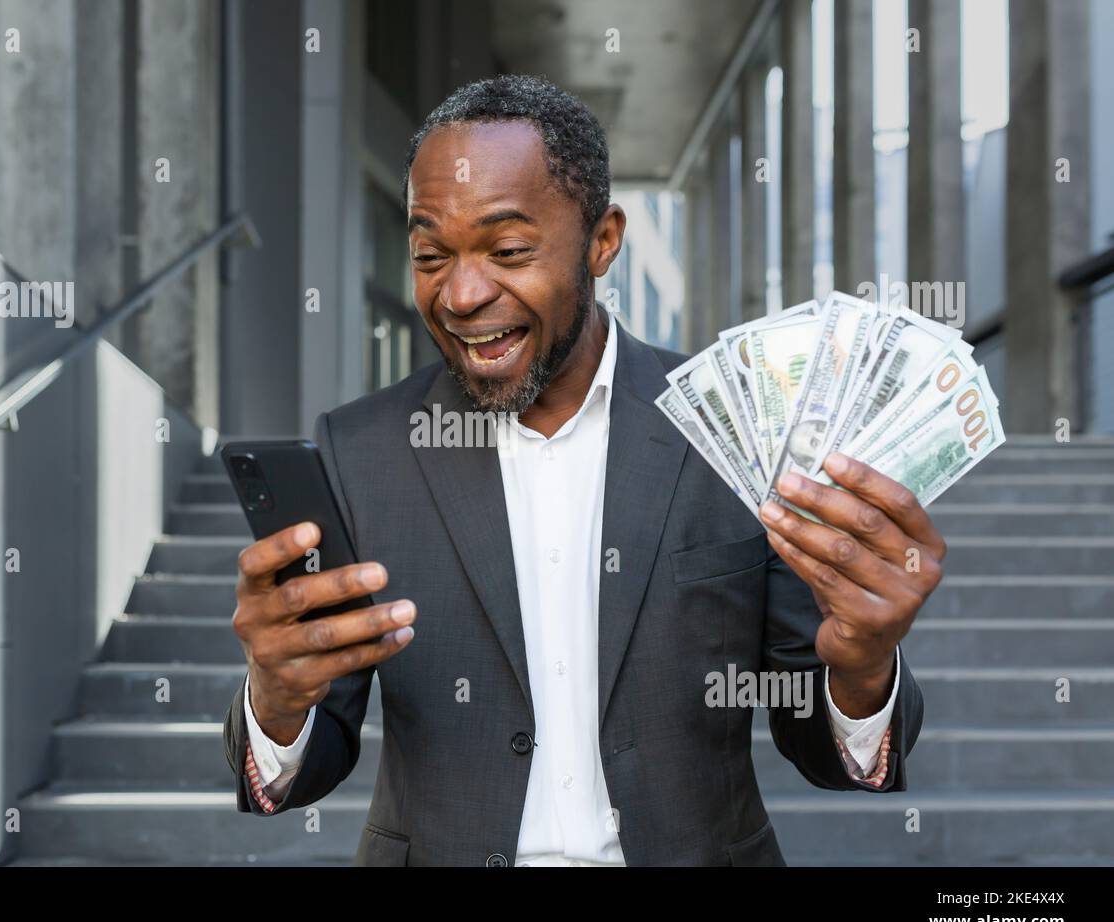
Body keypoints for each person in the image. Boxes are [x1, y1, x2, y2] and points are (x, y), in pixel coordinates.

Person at [223, 75, 938, 866]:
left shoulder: (735, 430)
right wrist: (277, 697)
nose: (460, 294)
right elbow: (311, 757)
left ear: (602, 241)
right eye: (430, 253)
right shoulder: (362, 451)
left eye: (508, 250)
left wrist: (863, 665)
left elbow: (818, 741)